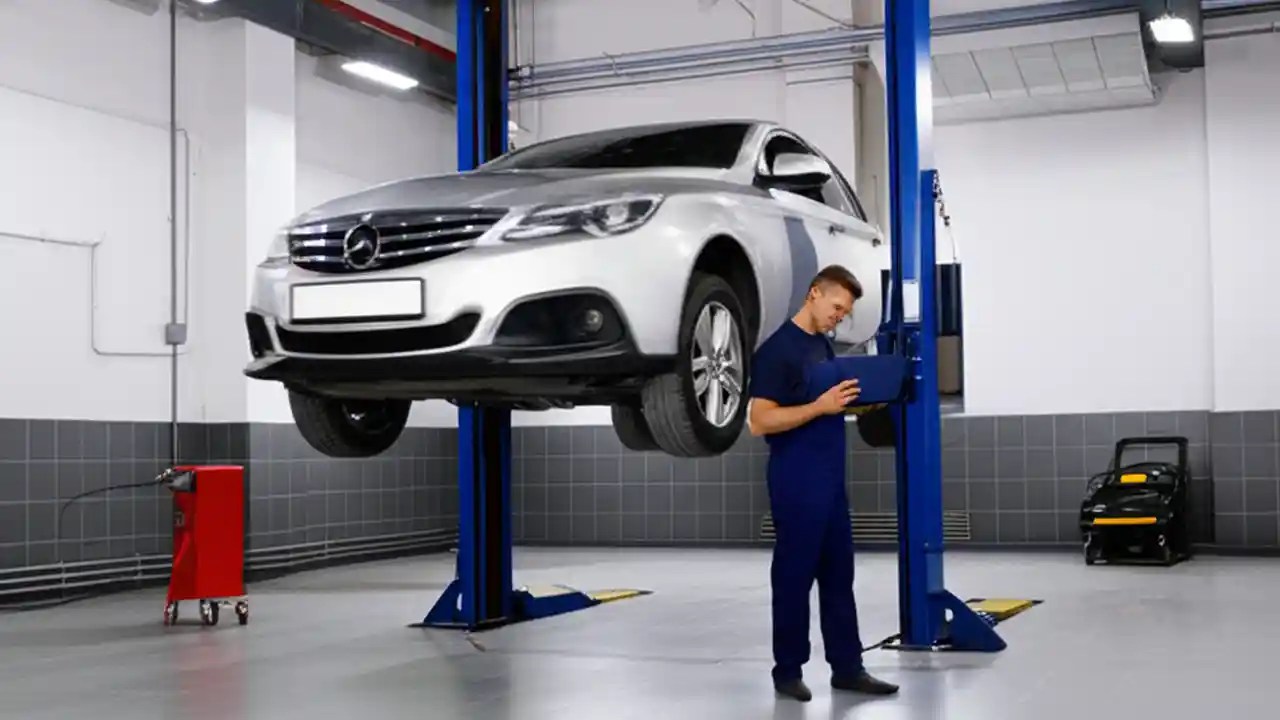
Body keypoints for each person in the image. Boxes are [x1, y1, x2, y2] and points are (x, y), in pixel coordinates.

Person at [747, 264, 900, 703]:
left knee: (838, 577)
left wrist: (856, 404)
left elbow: (824, 403)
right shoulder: (777, 350)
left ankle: (847, 668)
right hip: (796, 480)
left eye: (845, 312)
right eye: (837, 307)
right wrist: (820, 407)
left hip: (831, 481)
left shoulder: (823, 345)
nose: (840, 316)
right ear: (814, 293)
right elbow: (759, 421)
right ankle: (787, 671)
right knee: (794, 578)